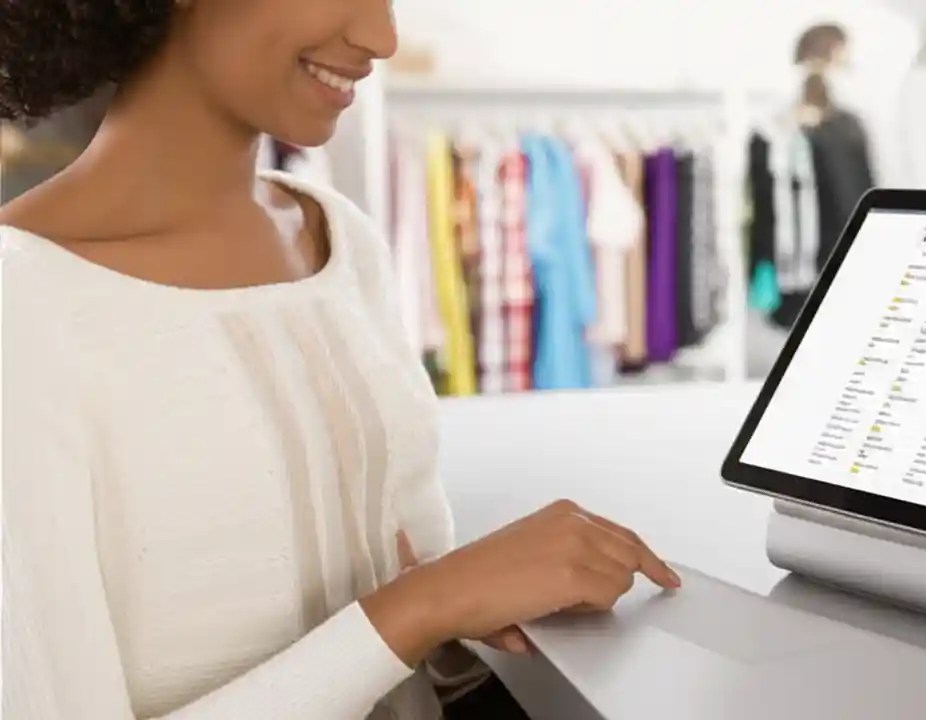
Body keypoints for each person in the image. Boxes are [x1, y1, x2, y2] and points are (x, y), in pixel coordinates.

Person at [0, 2, 680, 719]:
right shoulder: (22, 308)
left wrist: (492, 604)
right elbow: (410, 609)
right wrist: (426, 605)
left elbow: (413, 643)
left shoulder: (343, 242)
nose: (381, 38)